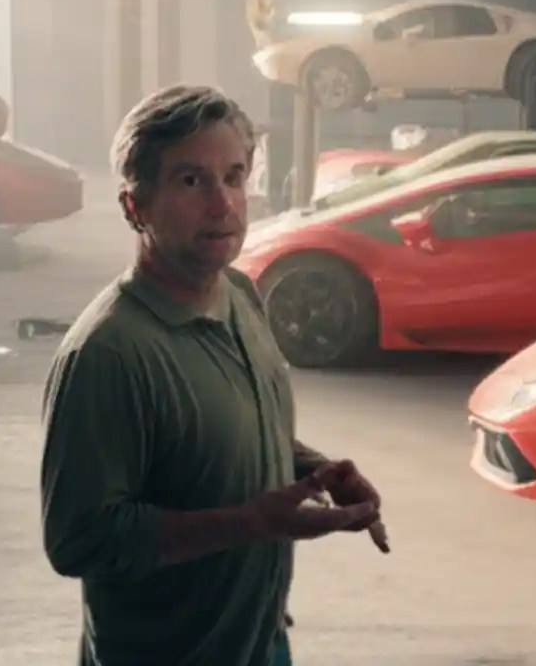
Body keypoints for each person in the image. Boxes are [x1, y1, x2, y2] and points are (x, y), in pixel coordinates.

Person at [40, 84, 390, 666]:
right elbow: (80, 540)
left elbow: (232, 422)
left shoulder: (240, 295)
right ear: (135, 207)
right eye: (191, 180)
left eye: (233, 176)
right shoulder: (109, 354)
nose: (223, 203)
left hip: (259, 639)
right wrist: (252, 522)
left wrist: (311, 467)